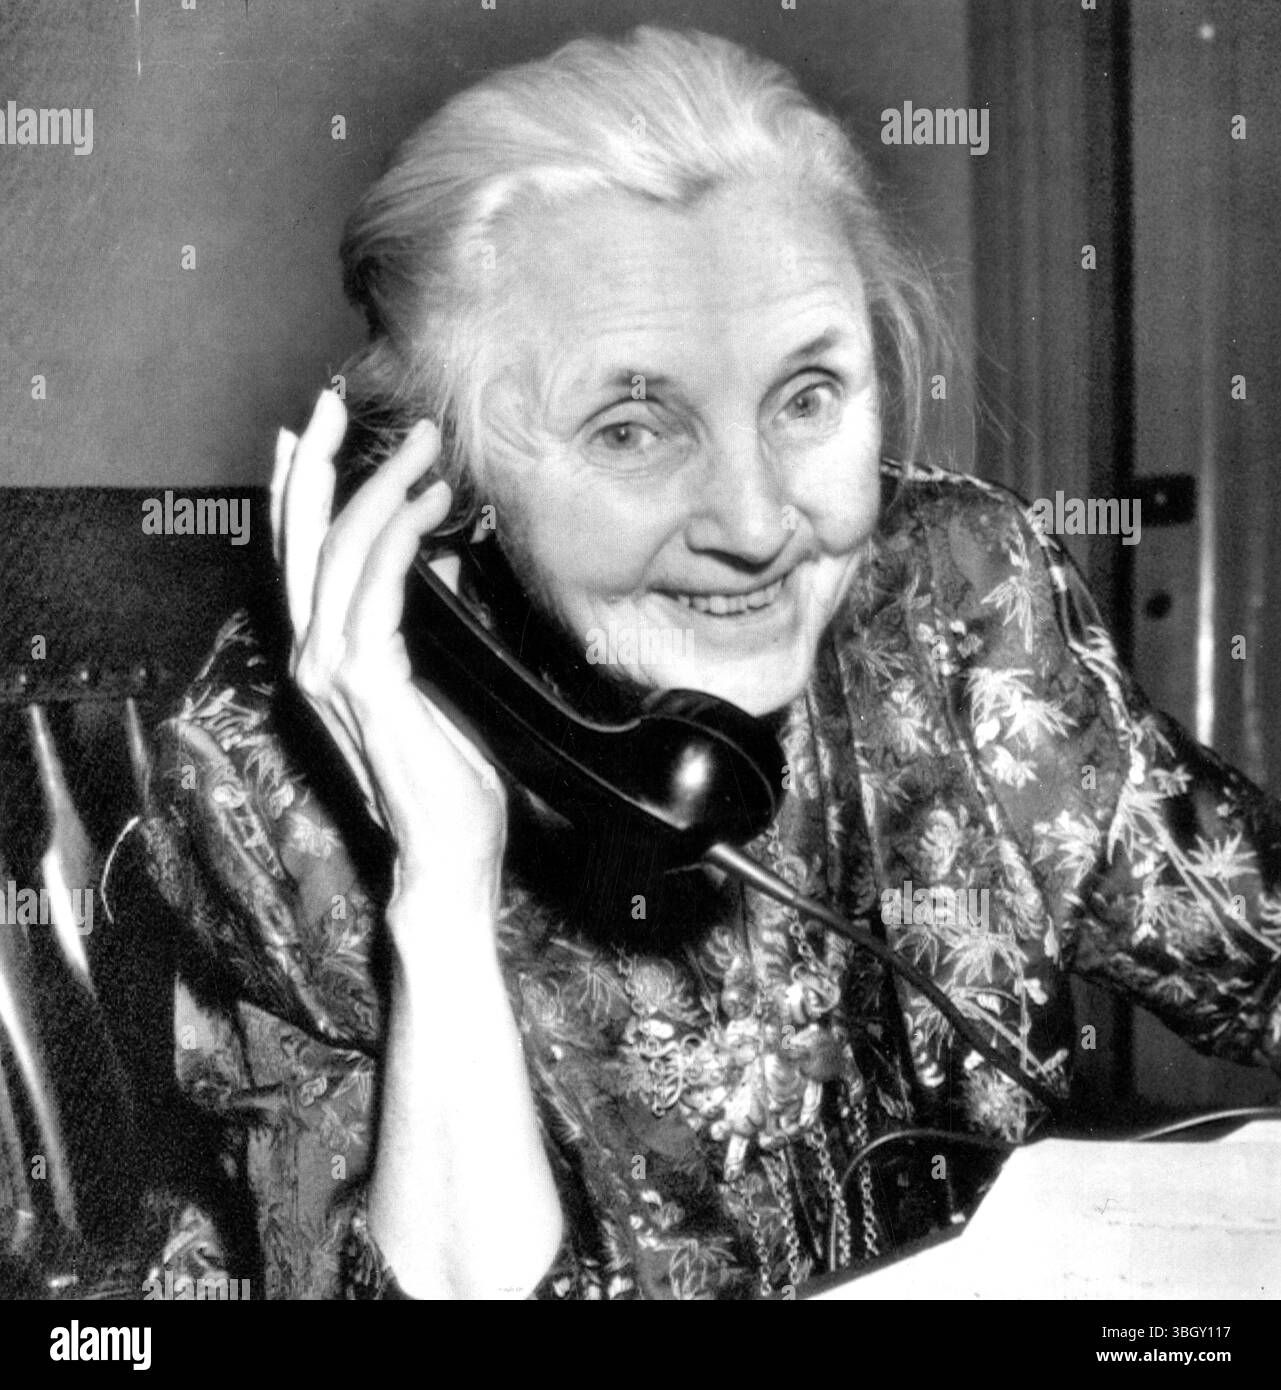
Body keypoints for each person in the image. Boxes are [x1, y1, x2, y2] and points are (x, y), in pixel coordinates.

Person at [104, 25, 1281, 1300]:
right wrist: (442, 893)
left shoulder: (961, 594)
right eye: (632, 426)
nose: (760, 521)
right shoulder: (261, 776)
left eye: (808, 397)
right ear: (448, 481)